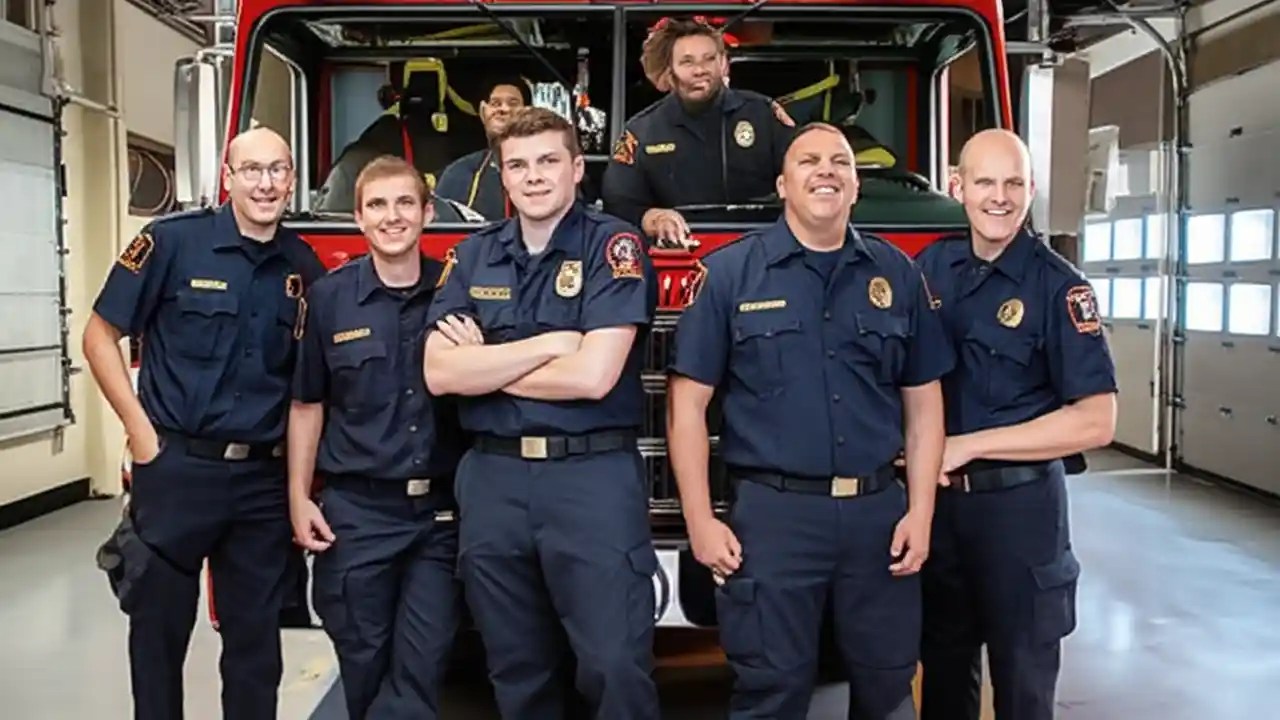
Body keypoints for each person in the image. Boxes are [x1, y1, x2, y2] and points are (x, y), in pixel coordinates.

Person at [666, 122, 950, 719]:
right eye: (809, 161)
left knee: (888, 686)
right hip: (775, 518)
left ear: (855, 185)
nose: (826, 171)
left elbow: (924, 404)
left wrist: (921, 511)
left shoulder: (897, 274)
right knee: (771, 689)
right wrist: (700, 521)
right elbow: (686, 406)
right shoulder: (730, 275)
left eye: (840, 162)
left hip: (878, 517)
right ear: (782, 185)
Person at [422, 106, 661, 720]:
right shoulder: (472, 256)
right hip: (493, 482)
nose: (533, 177)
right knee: (516, 668)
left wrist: (487, 368)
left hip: (590, 480)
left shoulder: (614, 245)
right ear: (503, 176)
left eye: (549, 161)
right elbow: (441, 373)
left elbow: (593, 377)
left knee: (613, 664)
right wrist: (553, 344)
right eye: (518, 165)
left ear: (577, 169)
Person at [86, 127, 326, 720]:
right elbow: (98, 336)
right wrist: (142, 437)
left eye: (278, 170)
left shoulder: (303, 265)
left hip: (260, 484)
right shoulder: (171, 242)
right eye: (252, 170)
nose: (265, 184)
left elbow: (308, 387)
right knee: (158, 635)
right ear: (228, 177)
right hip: (177, 470)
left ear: (293, 180)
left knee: (255, 648)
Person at [913, 128, 1118, 720]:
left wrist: (968, 446)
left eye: (1013, 183)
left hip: (1021, 518)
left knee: (1023, 688)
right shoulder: (930, 269)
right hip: (941, 515)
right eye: (984, 182)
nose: (999, 197)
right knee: (943, 681)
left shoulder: (1060, 287)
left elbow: (1096, 421)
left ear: (1031, 189)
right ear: (957, 187)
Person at [287, 155, 468, 719]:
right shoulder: (328, 299)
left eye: (405, 203)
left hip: (440, 518)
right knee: (363, 665)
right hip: (358, 516)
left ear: (428, 213)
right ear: (359, 218)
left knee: (422, 667)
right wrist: (298, 497)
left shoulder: (457, 292)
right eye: (378, 205)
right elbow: (307, 405)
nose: (393, 217)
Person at [601, 17, 795, 248]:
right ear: (669, 70)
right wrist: (653, 218)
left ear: (723, 63)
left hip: (760, 247)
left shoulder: (762, 114)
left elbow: (802, 176)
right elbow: (618, 202)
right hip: (681, 252)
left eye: (709, 59)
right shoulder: (642, 130)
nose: (700, 70)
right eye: (687, 62)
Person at [435, 74, 531, 220]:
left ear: (528, 113)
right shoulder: (458, 173)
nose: (504, 109)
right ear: (483, 112)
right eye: (495, 103)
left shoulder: (547, 170)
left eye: (513, 103)